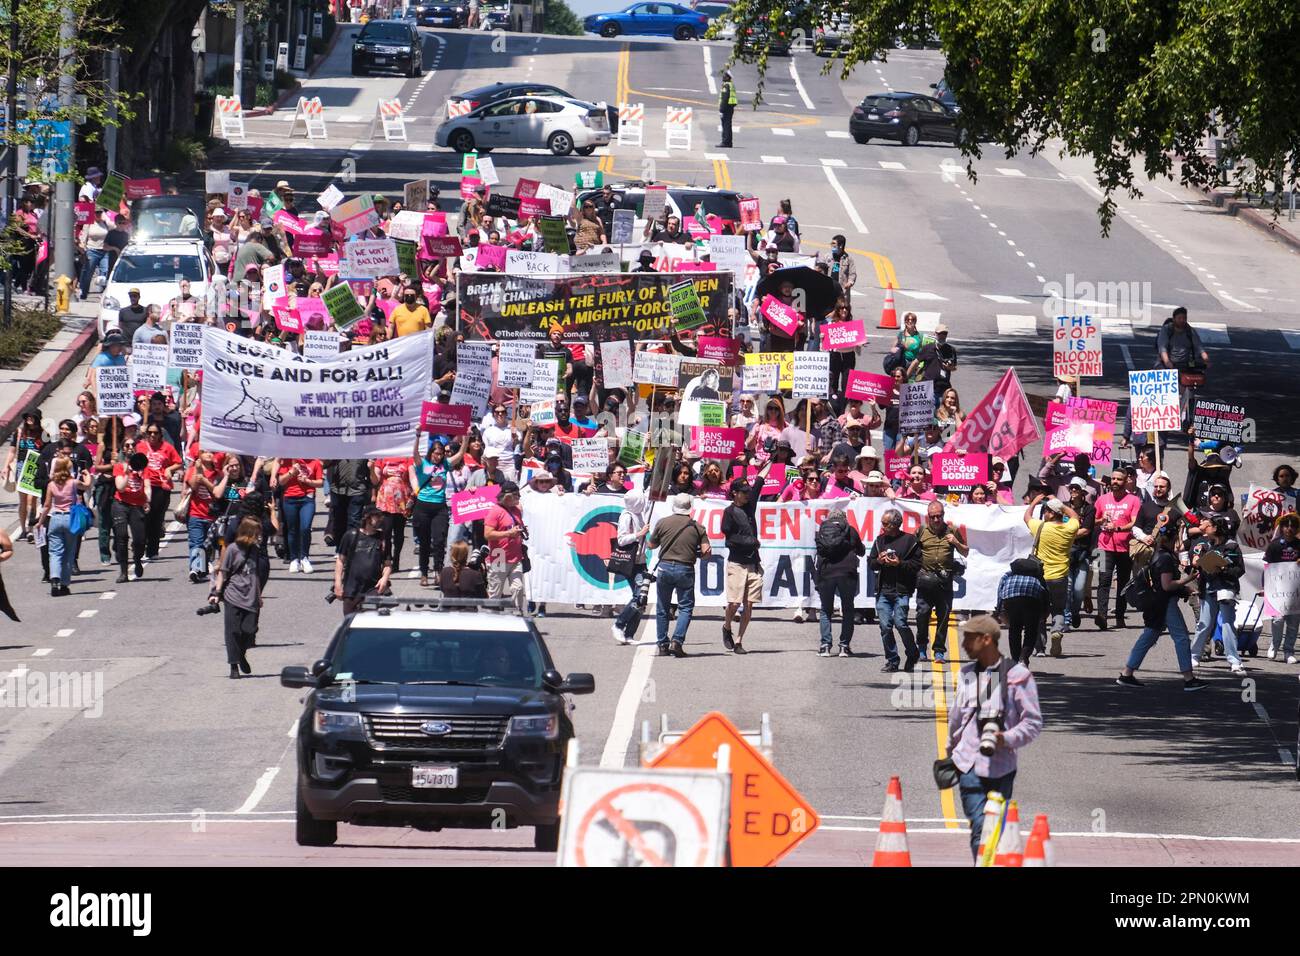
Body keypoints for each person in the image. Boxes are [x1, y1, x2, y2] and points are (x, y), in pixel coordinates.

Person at [945, 615, 1043, 861]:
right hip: (968, 763)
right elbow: (956, 716)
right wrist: (951, 750)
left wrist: (1006, 738)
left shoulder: (1018, 676)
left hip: (1002, 766)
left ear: (986, 639)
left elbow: (1032, 721)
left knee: (994, 831)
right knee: (979, 829)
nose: (964, 644)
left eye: (969, 638)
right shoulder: (967, 673)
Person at [1117, 520, 1207, 690]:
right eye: (1176, 537)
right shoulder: (1165, 558)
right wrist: (1187, 580)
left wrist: (1183, 589)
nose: (1178, 542)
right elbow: (1166, 585)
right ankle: (1189, 678)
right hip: (1165, 603)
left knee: (1149, 635)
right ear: (1170, 539)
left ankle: (1127, 673)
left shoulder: (1160, 553)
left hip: (1156, 603)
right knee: (1181, 638)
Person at [648, 493, 712, 658]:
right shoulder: (697, 527)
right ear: (690, 508)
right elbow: (706, 552)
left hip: (665, 567)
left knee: (662, 607)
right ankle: (677, 640)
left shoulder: (663, 522)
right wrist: (696, 553)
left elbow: (651, 545)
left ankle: (662, 644)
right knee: (685, 607)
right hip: (685, 568)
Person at [208, 516, 271, 679]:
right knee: (233, 631)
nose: (259, 537)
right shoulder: (232, 549)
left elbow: (256, 574)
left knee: (250, 630)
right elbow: (223, 572)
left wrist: (259, 595)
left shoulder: (255, 550)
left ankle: (241, 654)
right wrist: (217, 592)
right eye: (256, 533)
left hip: (250, 596)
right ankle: (234, 665)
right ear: (248, 533)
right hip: (233, 595)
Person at [1188, 516, 1247, 675]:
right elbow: (1201, 567)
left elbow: (1239, 570)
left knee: (1228, 624)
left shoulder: (1232, 546)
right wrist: (1199, 564)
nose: (1204, 528)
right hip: (1208, 589)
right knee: (1204, 623)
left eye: (1207, 526)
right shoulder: (1207, 545)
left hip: (1226, 590)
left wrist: (1223, 569)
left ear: (1216, 528)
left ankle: (1234, 660)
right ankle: (1194, 656)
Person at [1024, 493, 1081, 657]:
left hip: (1041, 575)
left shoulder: (1041, 527)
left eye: (1046, 511)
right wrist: (1060, 505)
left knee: (1038, 612)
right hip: (1060, 576)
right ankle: (1056, 630)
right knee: (1058, 609)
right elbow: (1075, 516)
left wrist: (1034, 501)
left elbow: (1026, 516)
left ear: (1050, 513)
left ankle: (1040, 647)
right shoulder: (1069, 528)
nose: (1044, 513)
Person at [869, 509, 922, 671]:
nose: (882, 526)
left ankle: (912, 653)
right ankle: (892, 660)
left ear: (895, 524)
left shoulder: (910, 541)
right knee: (885, 626)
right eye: (882, 523)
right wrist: (879, 560)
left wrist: (899, 563)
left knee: (900, 623)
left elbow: (917, 565)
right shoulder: (880, 541)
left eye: (885, 524)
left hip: (902, 590)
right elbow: (871, 563)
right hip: (883, 591)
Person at [916, 500, 968, 663]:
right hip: (925, 580)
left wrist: (956, 542)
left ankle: (939, 650)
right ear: (928, 517)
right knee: (922, 614)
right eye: (933, 517)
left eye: (939, 516)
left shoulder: (952, 530)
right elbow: (911, 552)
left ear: (943, 515)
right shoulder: (920, 531)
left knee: (943, 616)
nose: (937, 520)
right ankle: (922, 647)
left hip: (944, 582)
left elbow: (965, 552)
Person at [411, 438, 467, 587]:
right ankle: (424, 573)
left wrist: (466, 437)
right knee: (424, 542)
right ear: (431, 453)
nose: (439, 456)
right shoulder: (423, 464)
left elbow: (461, 454)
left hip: (439, 507)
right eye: (436, 453)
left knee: (439, 541)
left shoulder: (445, 465)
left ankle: (438, 571)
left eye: (441, 454)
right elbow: (415, 453)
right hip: (423, 506)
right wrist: (417, 436)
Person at [1092, 466, 1141, 630]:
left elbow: (1135, 522)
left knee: (1123, 583)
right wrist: (1101, 521)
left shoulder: (1133, 500)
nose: (1115, 482)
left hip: (1125, 548)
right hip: (1103, 547)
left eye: (1119, 479)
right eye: (1113, 478)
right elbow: (1091, 521)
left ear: (1126, 480)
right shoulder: (1102, 500)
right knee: (1103, 581)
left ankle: (1120, 616)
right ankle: (1102, 616)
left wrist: (1118, 528)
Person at [814, 508, 866, 657]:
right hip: (846, 572)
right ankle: (844, 646)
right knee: (848, 609)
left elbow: (819, 550)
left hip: (826, 573)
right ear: (844, 519)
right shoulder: (850, 530)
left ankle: (825, 646)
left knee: (825, 610)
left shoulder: (822, 530)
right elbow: (861, 551)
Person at [39, 457, 91, 597]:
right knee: (69, 553)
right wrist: (88, 476)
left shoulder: (51, 484)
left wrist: (40, 522)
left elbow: (46, 505)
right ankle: (64, 584)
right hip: (70, 518)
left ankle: (54, 578)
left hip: (55, 518)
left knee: (55, 552)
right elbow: (86, 486)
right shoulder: (73, 482)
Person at [721, 480, 761, 653]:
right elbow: (729, 537)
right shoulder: (729, 512)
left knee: (749, 604)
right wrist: (750, 541)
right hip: (736, 563)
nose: (747, 495)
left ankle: (739, 641)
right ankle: (727, 626)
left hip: (753, 564)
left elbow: (759, 482)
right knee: (734, 603)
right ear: (735, 493)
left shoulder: (750, 507)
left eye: (748, 492)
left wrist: (771, 459)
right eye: (743, 492)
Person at [611, 488, 653, 645]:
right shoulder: (626, 517)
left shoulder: (638, 515)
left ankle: (629, 634)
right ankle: (619, 624)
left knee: (642, 599)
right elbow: (621, 539)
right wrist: (639, 534)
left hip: (641, 560)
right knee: (638, 596)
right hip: (632, 562)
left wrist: (647, 542)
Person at [135, 424, 182, 560]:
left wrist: (169, 469)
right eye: (150, 433)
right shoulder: (141, 447)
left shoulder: (167, 447)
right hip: (144, 485)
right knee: (144, 517)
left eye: (155, 433)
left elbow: (178, 462)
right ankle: (140, 546)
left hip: (161, 487)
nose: (153, 435)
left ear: (160, 435)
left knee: (156, 518)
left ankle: (152, 550)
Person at [335, 508, 393, 615]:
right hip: (351, 589)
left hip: (373, 589)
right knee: (350, 623)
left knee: (371, 622)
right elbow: (340, 561)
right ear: (367, 518)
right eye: (377, 516)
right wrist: (338, 583)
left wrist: (384, 579)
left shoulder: (383, 539)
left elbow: (387, 564)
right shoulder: (351, 535)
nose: (380, 519)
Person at [484, 481, 528, 612]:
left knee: (518, 588)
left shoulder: (517, 510)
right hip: (499, 554)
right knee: (495, 591)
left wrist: (522, 530)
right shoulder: (494, 512)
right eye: (516, 495)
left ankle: (517, 616)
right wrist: (509, 533)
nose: (519, 497)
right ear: (508, 497)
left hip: (515, 555)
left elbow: (516, 526)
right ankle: (493, 618)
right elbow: (488, 534)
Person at [274, 458, 324, 573]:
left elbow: (320, 482)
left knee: (305, 528)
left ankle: (304, 557)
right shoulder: (288, 461)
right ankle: (294, 558)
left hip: (307, 499)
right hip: (290, 498)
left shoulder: (314, 462)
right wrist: (292, 472)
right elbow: (281, 481)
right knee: (292, 530)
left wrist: (307, 481)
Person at [994, 561, 1049, 665]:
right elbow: (1046, 594)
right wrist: (1044, 612)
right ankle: (1023, 658)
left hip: (1011, 600)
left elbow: (1000, 592)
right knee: (1031, 631)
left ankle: (1015, 660)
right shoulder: (1037, 576)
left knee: (1014, 630)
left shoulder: (1008, 575)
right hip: (1032, 600)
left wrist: (999, 611)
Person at [1264, 514, 1300, 664]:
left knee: (1293, 621)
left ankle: (1289, 651)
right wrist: (1264, 587)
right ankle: (1275, 644)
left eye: (1292, 526)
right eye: (1286, 526)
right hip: (1278, 590)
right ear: (1282, 527)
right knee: (1278, 619)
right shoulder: (1275, 545)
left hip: (1296, 591)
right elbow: (1267, 568)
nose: (1289, 529)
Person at [718, 69, 737, 148]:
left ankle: (725, 142)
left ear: (728, 77)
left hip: (726, 107)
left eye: (725, 76)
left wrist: (721, 109)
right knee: (728, 125)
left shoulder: (726, 85)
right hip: (730, 107)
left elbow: (725, 98)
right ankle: (729, 142)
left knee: (725, 125)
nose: (723, 77)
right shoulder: (731, 85)